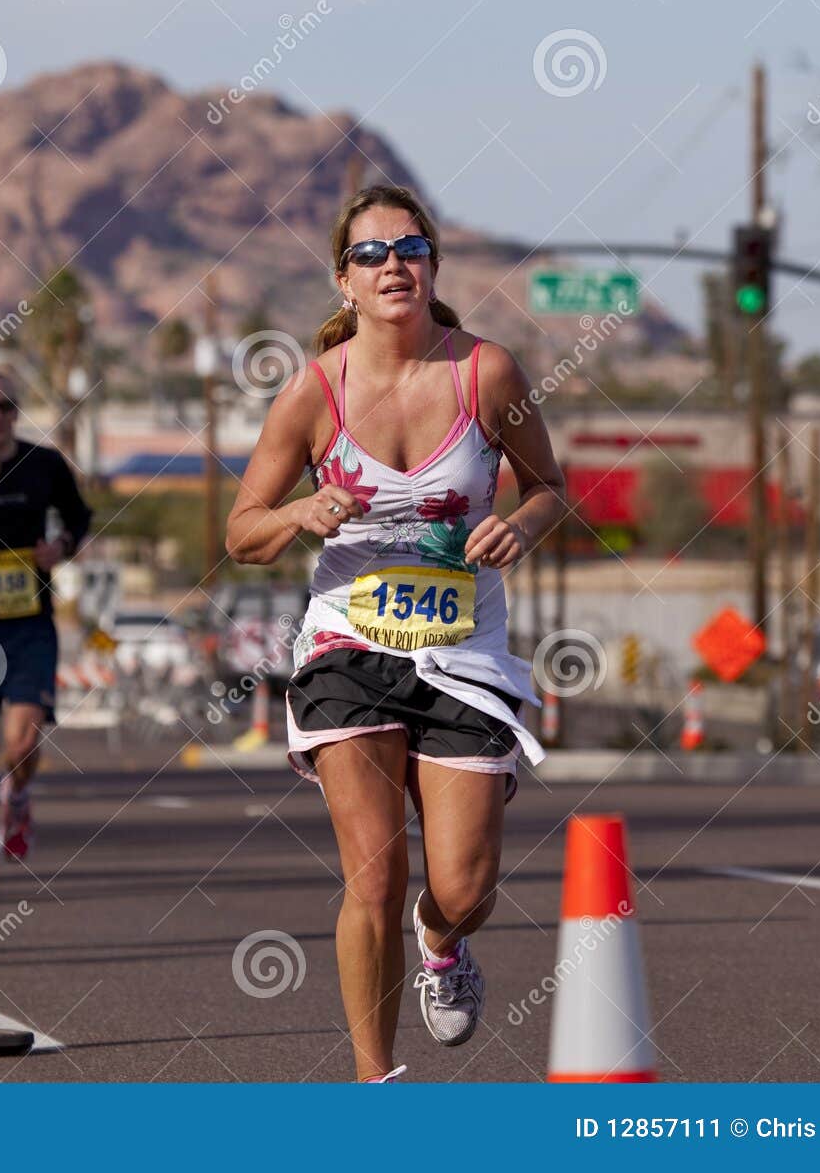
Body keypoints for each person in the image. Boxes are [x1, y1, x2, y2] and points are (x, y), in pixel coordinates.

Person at [226, 184, 565, 1083]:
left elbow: (548, 487)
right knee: (372, 876)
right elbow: (241, 531)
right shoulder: (312, 393)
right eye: (371, 254)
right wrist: (297, 513)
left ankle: (441, 940)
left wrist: (519, 526)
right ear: (345, 281)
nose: (393, 265)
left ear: (433, 266)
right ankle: (375, 1085)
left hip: (462, 650)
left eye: (410, 248)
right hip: (348, 646)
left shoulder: (487, 373)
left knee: (464, 885)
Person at [0, 369, 91, 896]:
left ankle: (20, 794)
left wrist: (62, 545)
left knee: (22, 742)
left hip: (29, 623)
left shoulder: (44, 463)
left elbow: (78, 517)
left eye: (6, 407)